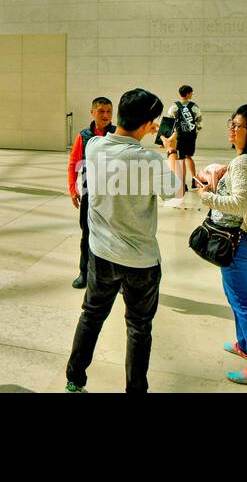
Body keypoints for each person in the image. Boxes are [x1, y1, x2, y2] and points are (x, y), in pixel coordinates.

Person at [65, 88, 183, 393]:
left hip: (101, 253)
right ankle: (135, 389)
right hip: (141, 261)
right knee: (139, 328)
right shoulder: (150, 160)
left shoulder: (93, 147)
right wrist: (170, 150)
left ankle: (75, 378)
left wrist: (141, 130)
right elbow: (174, 191)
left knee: (91, 315)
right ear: (147, 124)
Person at [193, 104, 247, 386]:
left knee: (242, 303)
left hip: (238, 241)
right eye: (232, 123)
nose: (232, 128)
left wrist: (206, 196)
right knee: (234, 297)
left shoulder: (243, 163)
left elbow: (241, 204)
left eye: (238, 125)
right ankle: (244, 344)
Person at [68, 96, 115, 289]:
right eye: (101, 111)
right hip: (90, 194)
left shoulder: (117, 134)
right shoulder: (84, 136)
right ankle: (84, 273)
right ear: (92, 112)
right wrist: (73, 189)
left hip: (113, 194)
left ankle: (116, 277)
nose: (106, 115)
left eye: (109, 111)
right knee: (87, 233)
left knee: (114, 234)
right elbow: (73, 165)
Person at [165, 85, 202, 199]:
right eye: (191, 93)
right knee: (188, 156)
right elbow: (199, 119)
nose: (192, 95)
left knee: (181, 158)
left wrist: (171, 135)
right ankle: (194, 179)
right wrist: (196, 131)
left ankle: (182, 183)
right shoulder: (194, 106)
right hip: (190, 135)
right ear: (188, 94)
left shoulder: (174, 107)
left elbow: (169, 120)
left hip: (179, 135)